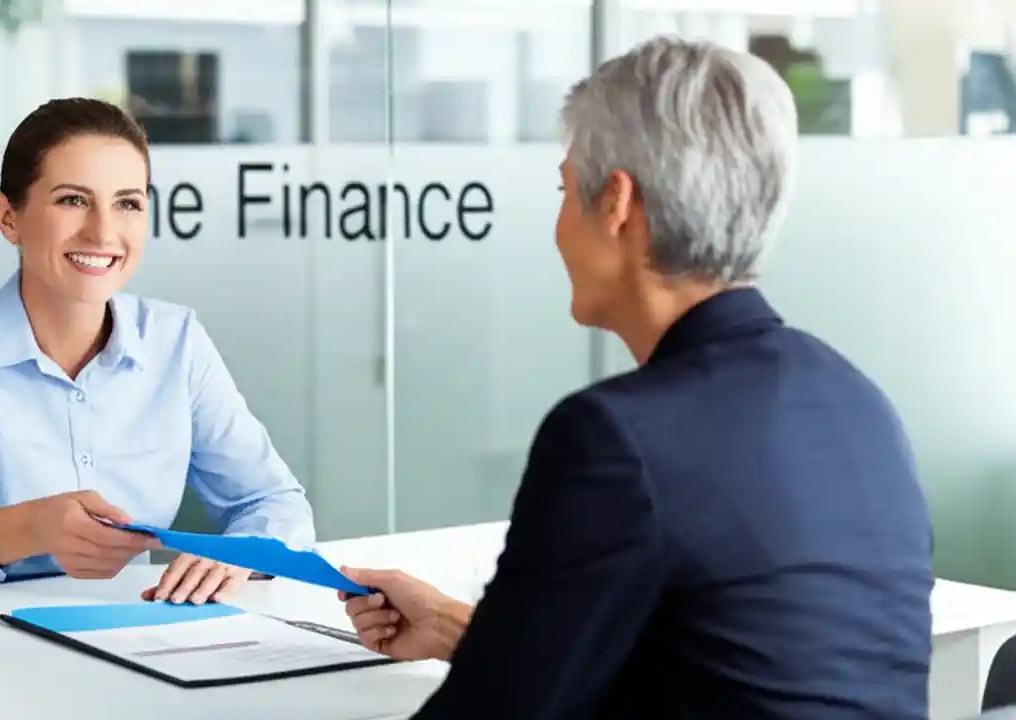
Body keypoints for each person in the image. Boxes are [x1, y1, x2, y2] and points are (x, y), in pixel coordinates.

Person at [339, 36, 933, 718]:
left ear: (617, 203)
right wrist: (471, 633)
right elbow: (730, 669)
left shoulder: (615, 438)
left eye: (565, 191)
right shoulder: (858, 404)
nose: (558, 228)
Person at [0, 98, 315, 603]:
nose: (102, 232)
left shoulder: (176, 341)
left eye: (128, 203)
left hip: (132, 635)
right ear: (8, 217)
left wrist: (240, 555)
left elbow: (275, 500)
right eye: (73, 200)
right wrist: (29, 527)